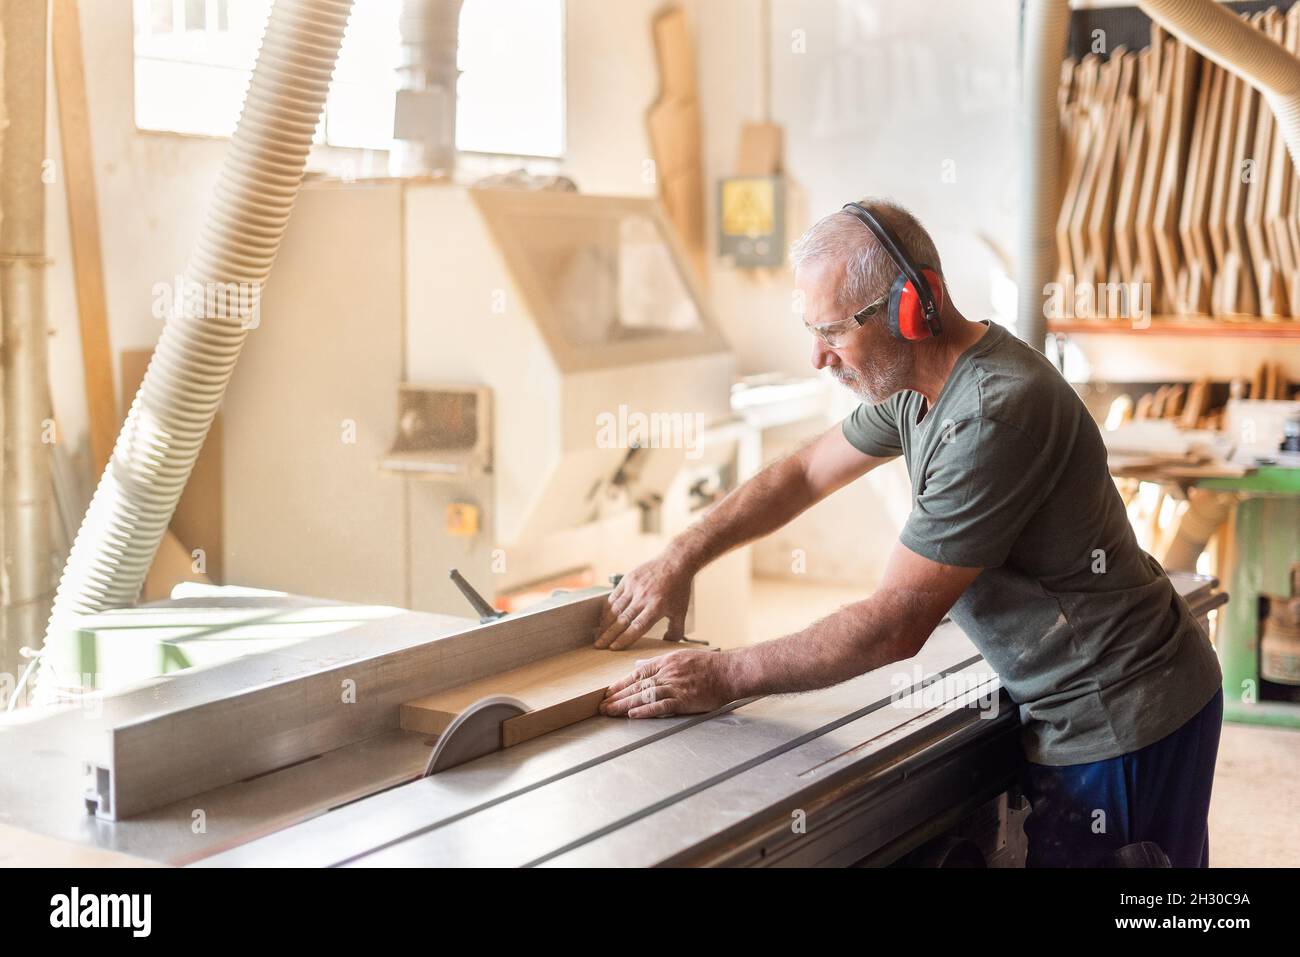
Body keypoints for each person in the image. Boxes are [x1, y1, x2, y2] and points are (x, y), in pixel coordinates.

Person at [596, 198, 1224, 867]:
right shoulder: (913, 385)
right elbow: (805, 472)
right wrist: (682, 555)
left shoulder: (992, 412)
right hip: (1071, 699)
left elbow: (893, 623)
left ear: (914, 306)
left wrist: (722, 674)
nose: (818, 357)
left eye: (833, 330)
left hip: (1121, 711)